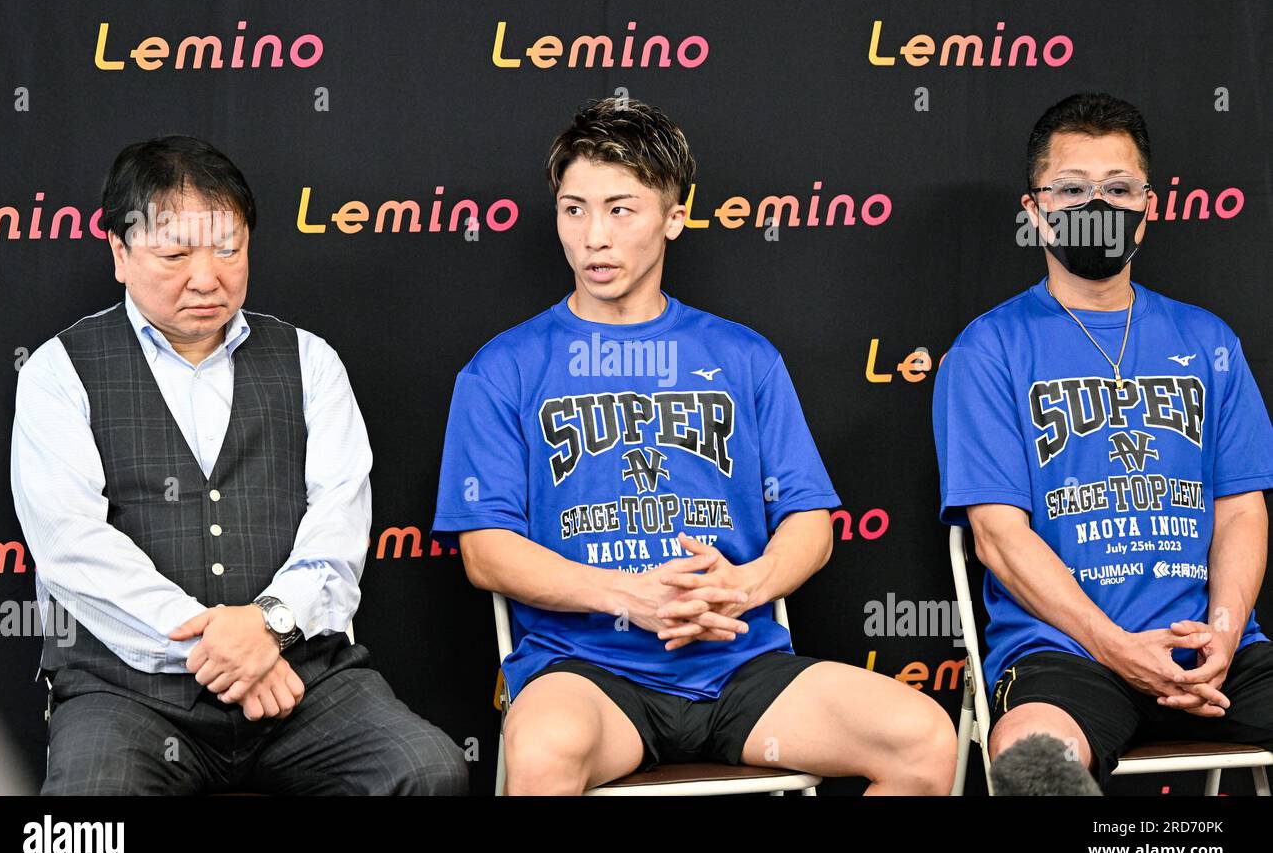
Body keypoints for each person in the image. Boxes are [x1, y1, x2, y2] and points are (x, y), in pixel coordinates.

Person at [432, 98, 957, 795]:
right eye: (573, 209)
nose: (594, 237)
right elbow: (486, 550)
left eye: (621, 209)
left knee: (923, 740)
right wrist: (633, 597)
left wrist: (747, 585)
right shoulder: (504, 368)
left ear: (674, 216)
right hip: (590, 673)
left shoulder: (742, 356)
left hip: (739, 667)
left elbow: (810, 521)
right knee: (543, 749)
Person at [12, 136, 468, 795]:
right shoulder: (61, 370)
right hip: (129, 694)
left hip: (304, 682)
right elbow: (71, 546)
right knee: (91, 807)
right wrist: (228, 654)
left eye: (228, 249)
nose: (206, 277)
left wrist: (271, 629)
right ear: (119, 252)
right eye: (174, 254)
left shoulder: (309, 361)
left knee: (427, 769)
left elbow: (338, 525)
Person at [933, 92, 1273, 792]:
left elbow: (1240, 509)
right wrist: (1116, 648)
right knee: (1034, 763)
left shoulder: (1208, 341)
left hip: (1210, 647)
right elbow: (997, 536)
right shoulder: (988, 350)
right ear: (1035, 211)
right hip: (1067, 654)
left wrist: (1225, 633)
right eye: (1072, 189)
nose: (1098, 205)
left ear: (1150, 210)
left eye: (1119, 189)